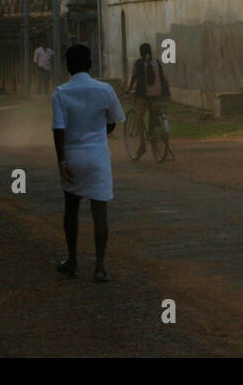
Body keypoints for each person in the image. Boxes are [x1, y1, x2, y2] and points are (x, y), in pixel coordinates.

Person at [52, 44, 124, 283]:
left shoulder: (61, 92)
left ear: (68, 66)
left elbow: (58, 129)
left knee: (71, 209)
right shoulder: (105, 89)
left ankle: (72, 261)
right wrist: (99, 131)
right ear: (90, 64)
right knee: (99, 212)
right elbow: (114, 120)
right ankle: (100, 267)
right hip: (97, 156)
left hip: (72, 154)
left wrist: (61, 160)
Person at [126, 42, 170, 152]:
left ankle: (142, 145)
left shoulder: (138, 64)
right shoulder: (157, 63)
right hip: (158, 95)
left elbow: (134, 78)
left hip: (143, 95)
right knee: (154, 113)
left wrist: (128, 90)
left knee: (139, 117)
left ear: (140, 53)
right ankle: (158, 133)